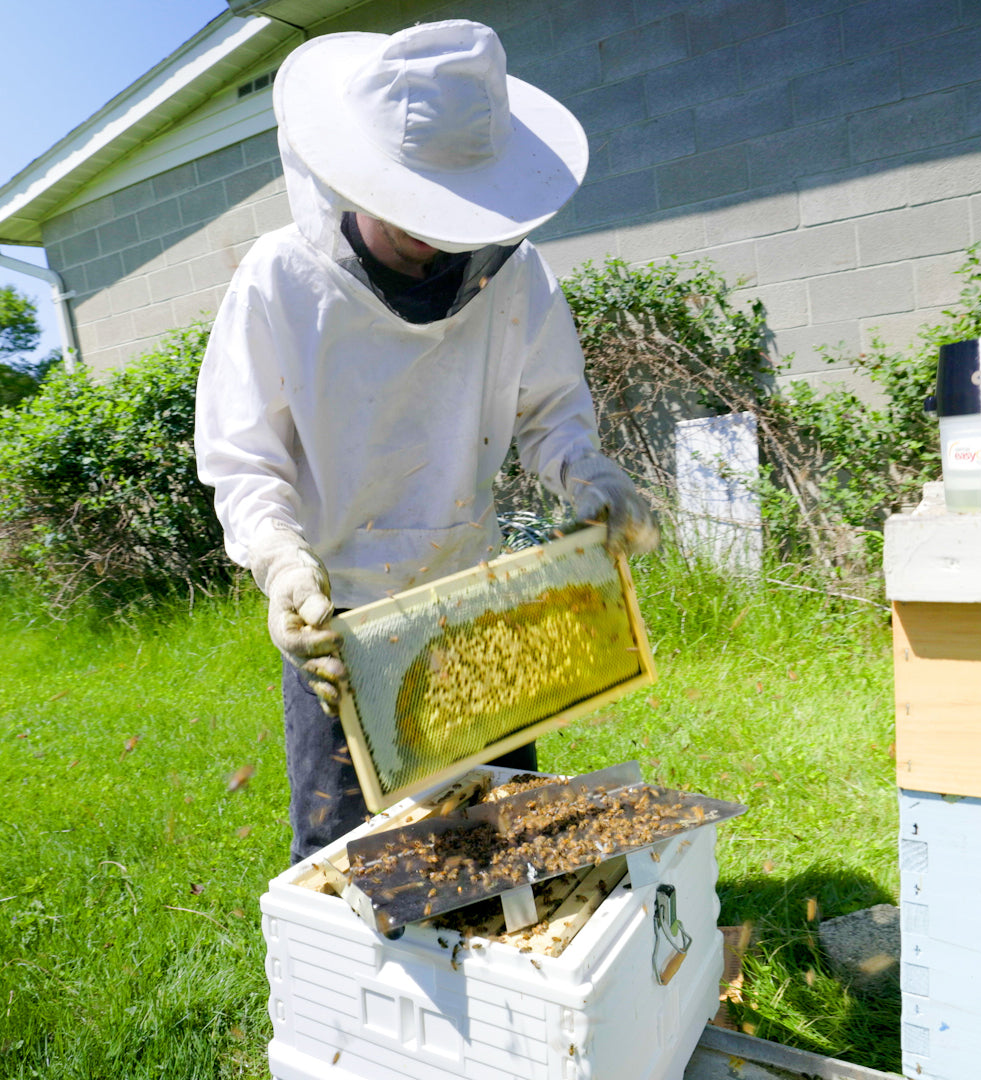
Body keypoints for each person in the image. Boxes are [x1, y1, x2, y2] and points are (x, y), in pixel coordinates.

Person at [194, 20, 658, 864]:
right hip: (343, 624)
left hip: (477, 606)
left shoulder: (516, 276)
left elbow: (550, 408)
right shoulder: (279, 280)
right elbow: (244, 456)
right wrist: (282, 563)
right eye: (412, 209)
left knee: (501, 850)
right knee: (357, 873)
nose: (434, 239)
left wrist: (591, 476)